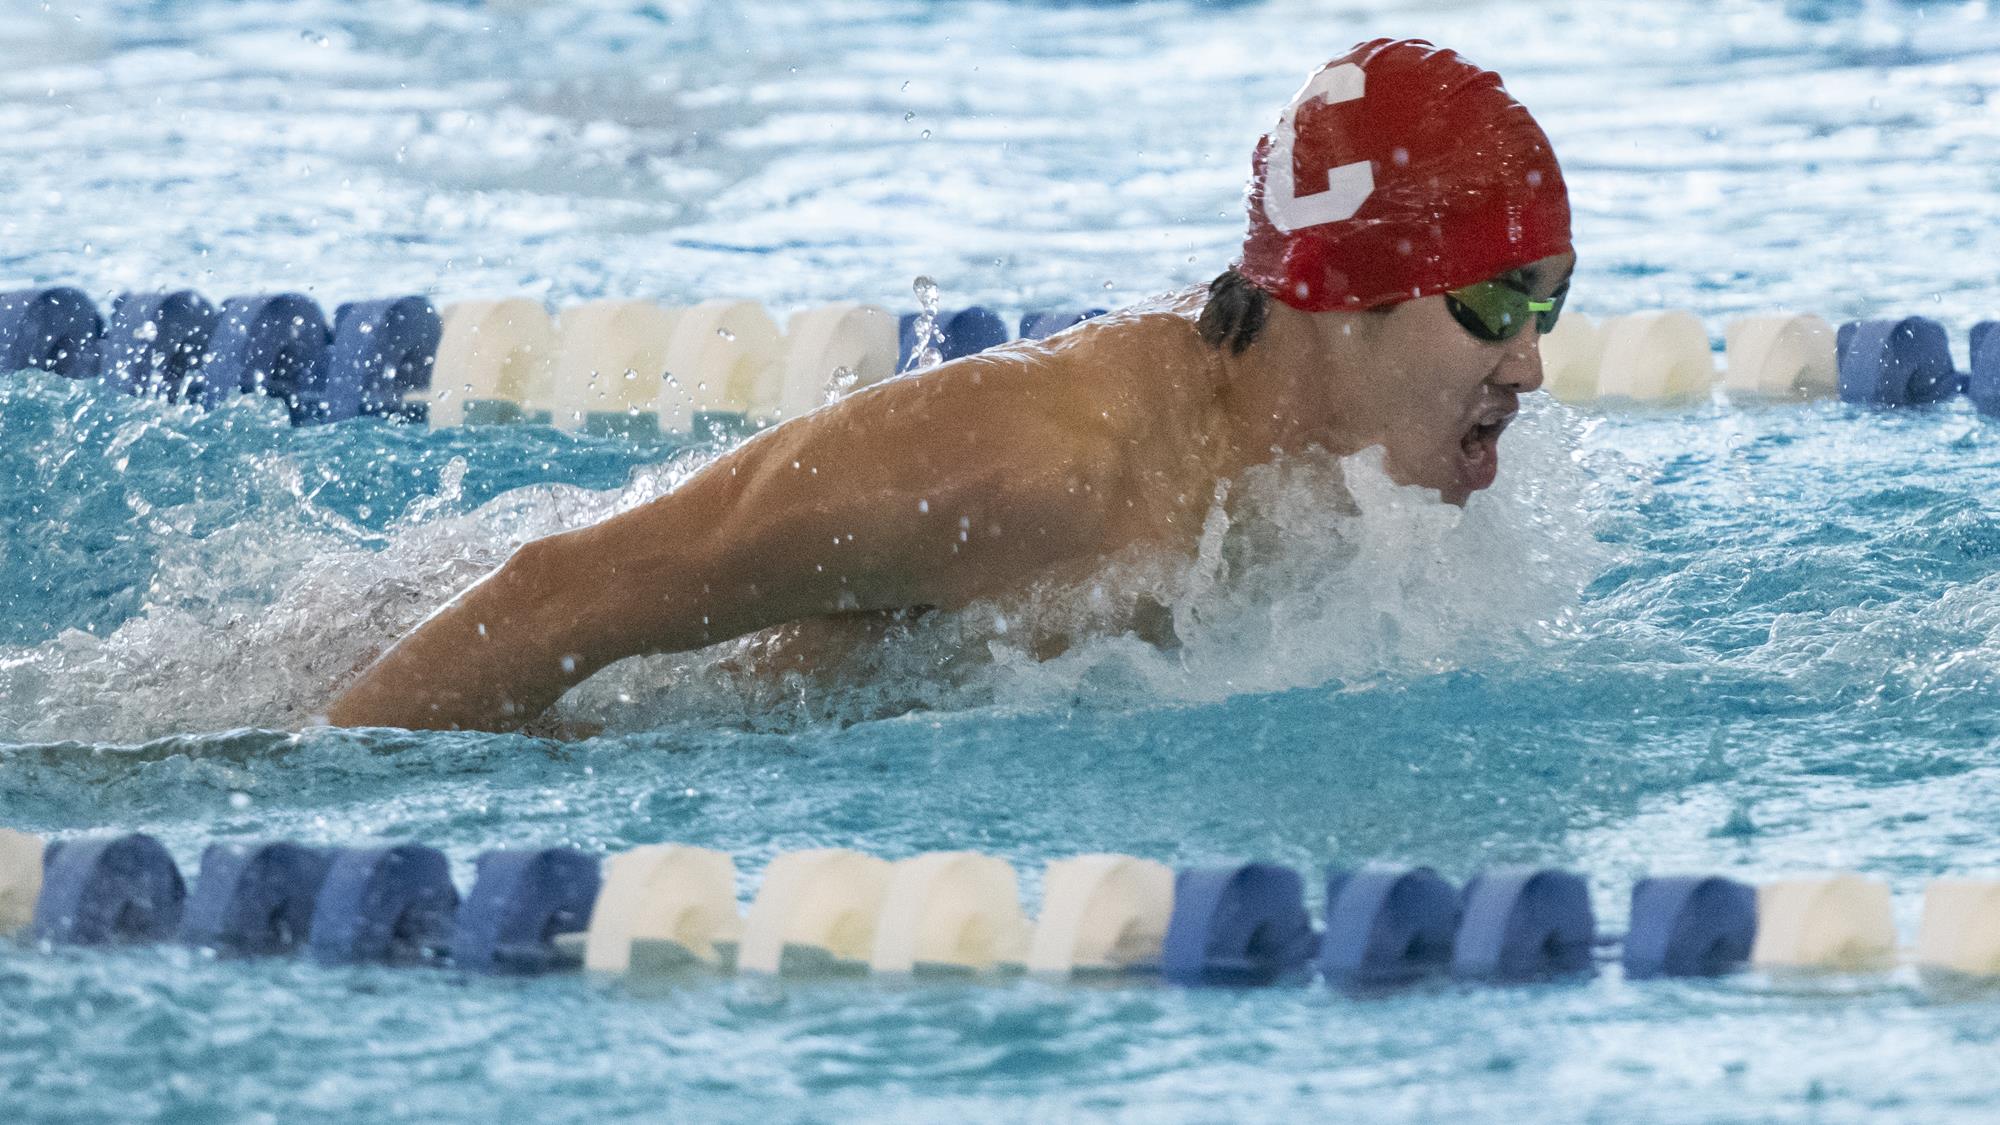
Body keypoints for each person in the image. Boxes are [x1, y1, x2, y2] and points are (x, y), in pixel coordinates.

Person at [324, 37, 1576, 733]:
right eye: (1493, 304)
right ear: (1336, 293)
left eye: (1549, 297)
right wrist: (326, 799)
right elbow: (552, 599)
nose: (1526, 359)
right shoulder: (1036, 467)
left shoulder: (1343, 494)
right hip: (369, 677)